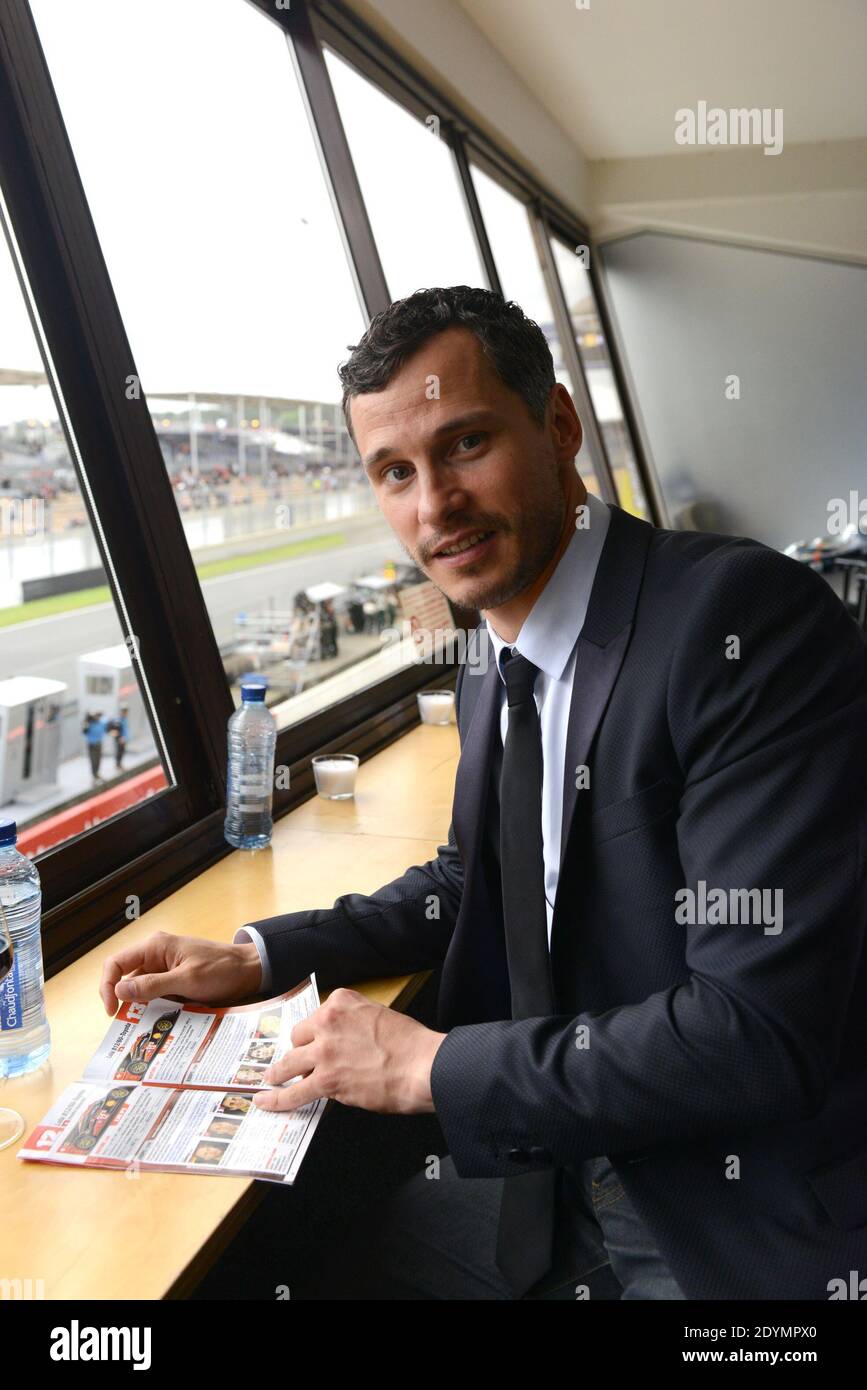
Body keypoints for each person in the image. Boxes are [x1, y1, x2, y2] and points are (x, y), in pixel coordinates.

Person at [99, 287, 867, 1301]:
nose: (434, 508)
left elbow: (757, 1033)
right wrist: (261, 955)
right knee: (302, 1254)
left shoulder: (739, 622)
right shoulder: (490, 644)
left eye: (465, 444)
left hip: (729, 1218)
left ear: (557, 425)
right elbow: (475, 880)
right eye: (396, 472)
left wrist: (432, 1069)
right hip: (568, 1168)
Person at [81, 711, 106, 783]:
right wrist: (86, 721)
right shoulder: (89, 724)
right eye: (96, 716)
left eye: (98, 716)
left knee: (98, 759)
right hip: (91, 745)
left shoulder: (101, 723)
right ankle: (94, 775)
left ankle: (97, 773)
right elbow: (84, 731)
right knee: (93, 760)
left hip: (99, 744)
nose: (97, 717)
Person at [108, 704, 129, 772]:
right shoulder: (117, 720)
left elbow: (125, 729)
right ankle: (118, 765)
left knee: (122, 751)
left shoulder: (125, 719)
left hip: (124, 738)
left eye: (126, 711)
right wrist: (119, 737)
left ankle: (120, 764)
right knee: (119, 752)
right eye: (124, 711)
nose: (125, 713)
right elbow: (114, 730)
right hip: (120, 739)